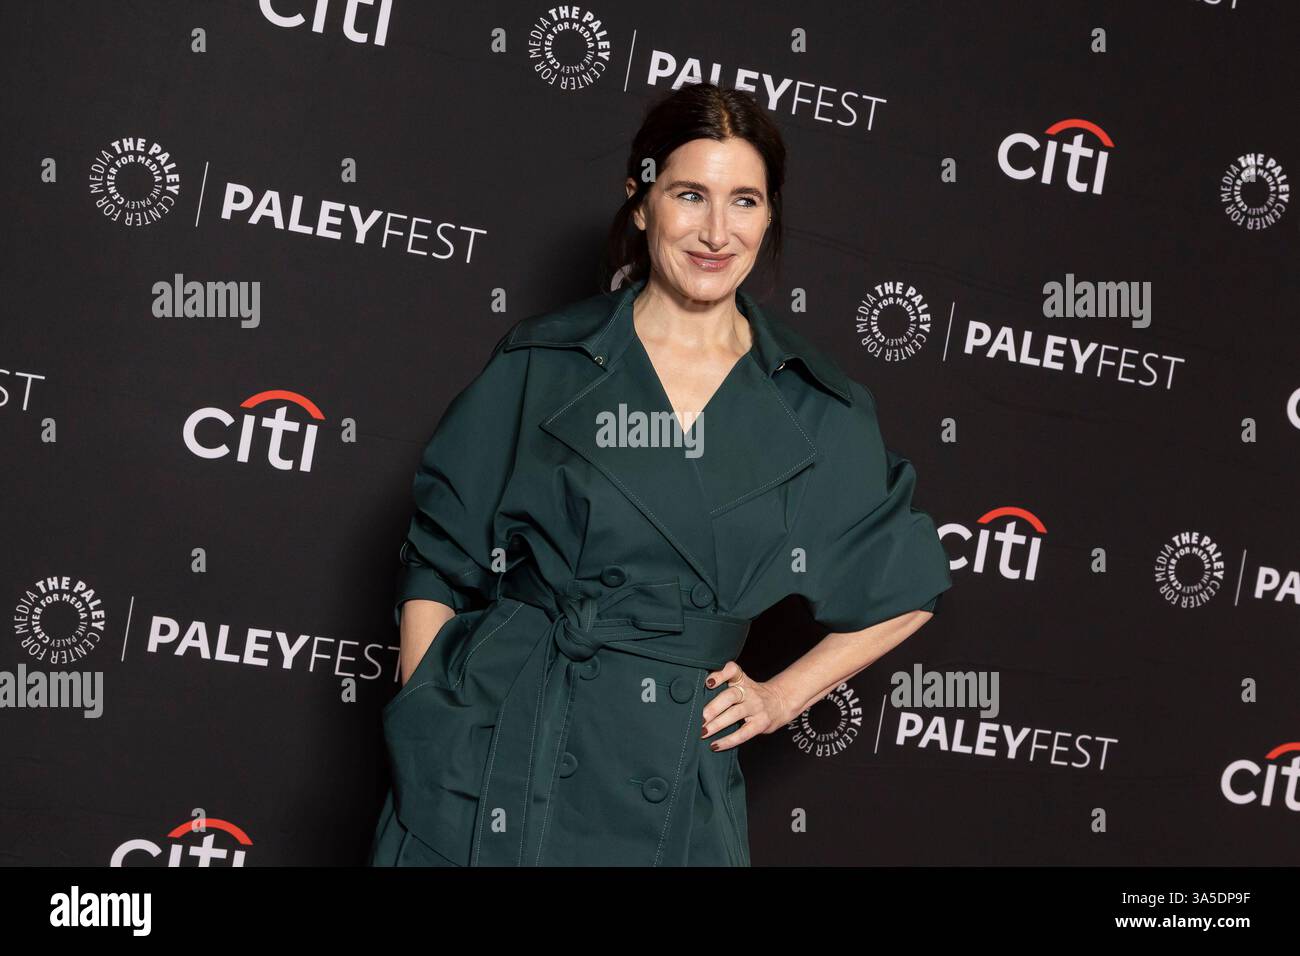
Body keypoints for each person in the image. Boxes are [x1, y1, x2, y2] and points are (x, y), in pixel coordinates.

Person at [368, 83, 952, 867]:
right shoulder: (545, 359)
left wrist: (781, 697)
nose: (716, 231)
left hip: (671, 769)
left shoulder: (815, 405)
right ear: (642, 205)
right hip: (502, 742)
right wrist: (431, 720)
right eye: (689, 195)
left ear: (769, 217)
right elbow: (440, 557)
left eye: (744, 201)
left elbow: (906, 584)